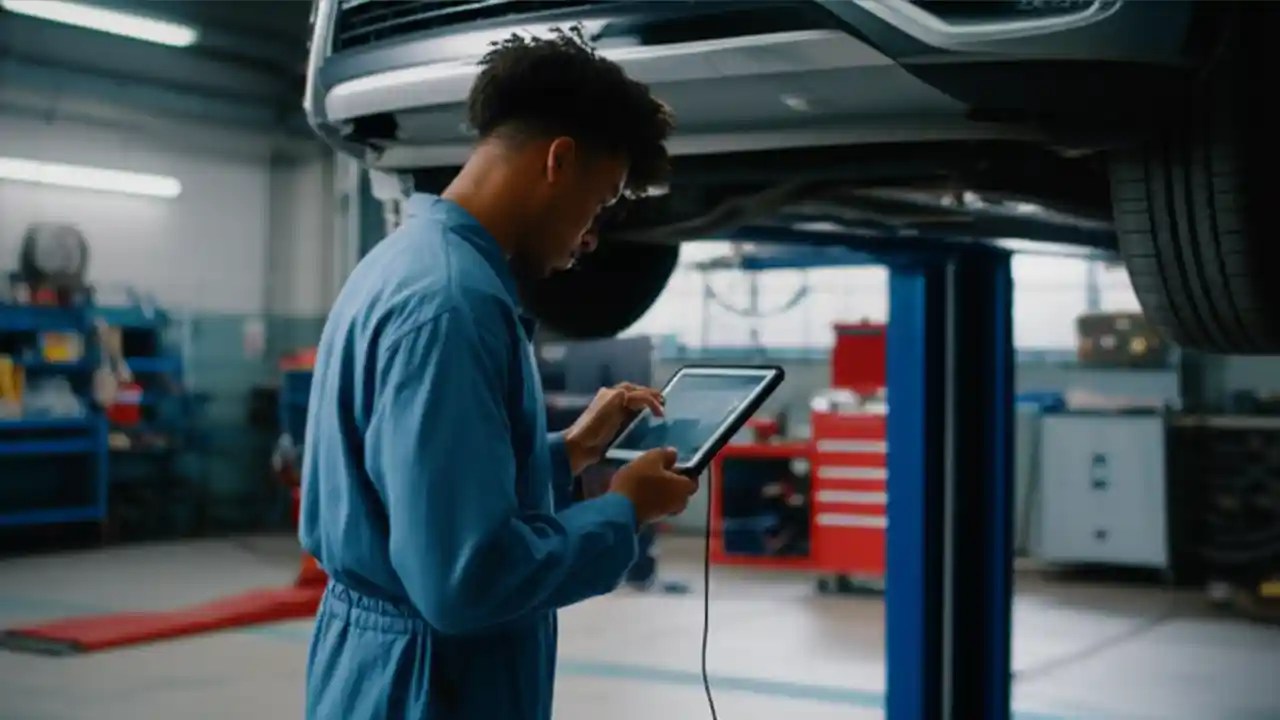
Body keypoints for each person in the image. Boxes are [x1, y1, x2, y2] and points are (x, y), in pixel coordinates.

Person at [298, 29, 693, 720]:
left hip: (390, 666)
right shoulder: (452, 305)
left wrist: (570, 451)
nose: (591, 236)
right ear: (558, 161)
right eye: (598, 203)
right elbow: (464, 579)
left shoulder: (410, 262)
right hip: (428, 688)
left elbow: (416, 486)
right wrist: (623, 511)